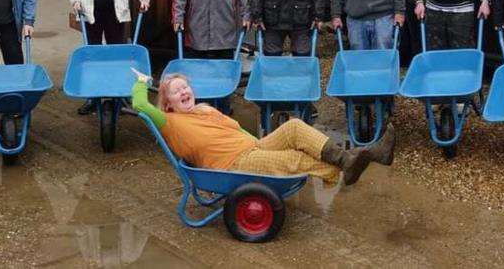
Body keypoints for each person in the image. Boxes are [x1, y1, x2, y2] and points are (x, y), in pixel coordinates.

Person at [131, 69, 395, 186]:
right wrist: (142, 81)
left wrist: (262, 145)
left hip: (251, 148)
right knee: (294, 158)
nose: (184, 92)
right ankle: (353, 162)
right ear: (168, 103)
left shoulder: (205, 109)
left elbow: (238, 131)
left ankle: (348, 160)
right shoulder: (169, 122)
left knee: (294, 127)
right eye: (176, 92)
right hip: (232, 164)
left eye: (185, 87)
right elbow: (140, 105)